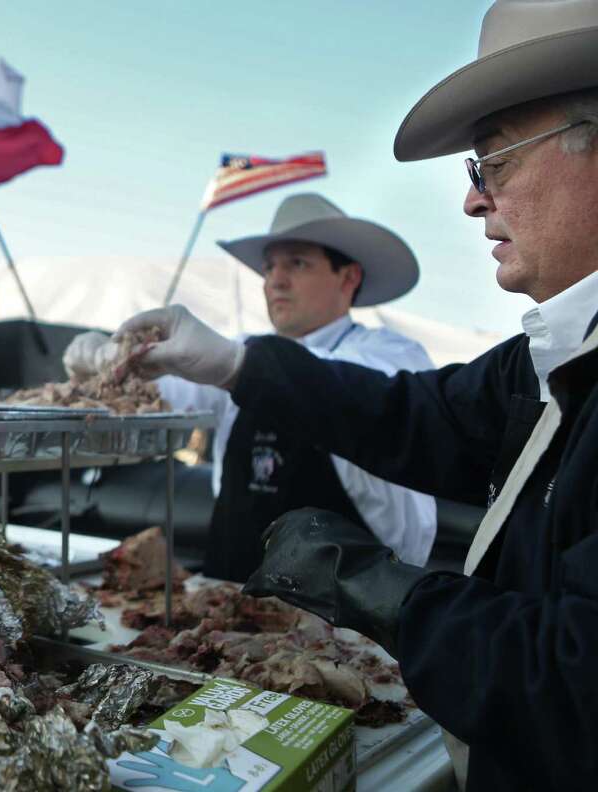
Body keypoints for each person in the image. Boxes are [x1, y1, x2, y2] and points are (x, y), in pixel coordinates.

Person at [114, 3, 598, 788]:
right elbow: (413, 416)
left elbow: (575, 691)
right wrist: (236, 365)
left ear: (348, 279)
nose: (475, 200)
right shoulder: (555, 355)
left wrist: (380, 588)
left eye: (494, 161)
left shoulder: (412, 349)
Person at [65, 193, 437, 582]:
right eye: (270, 266)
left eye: (297, 263)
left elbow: (354, 391)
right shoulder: (244, 350)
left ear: (348, 278)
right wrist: (111, 364)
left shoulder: (392, 355)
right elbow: (166, 398)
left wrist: (237, 362)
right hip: (231, 596)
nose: (275, 279)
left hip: (344, 619)